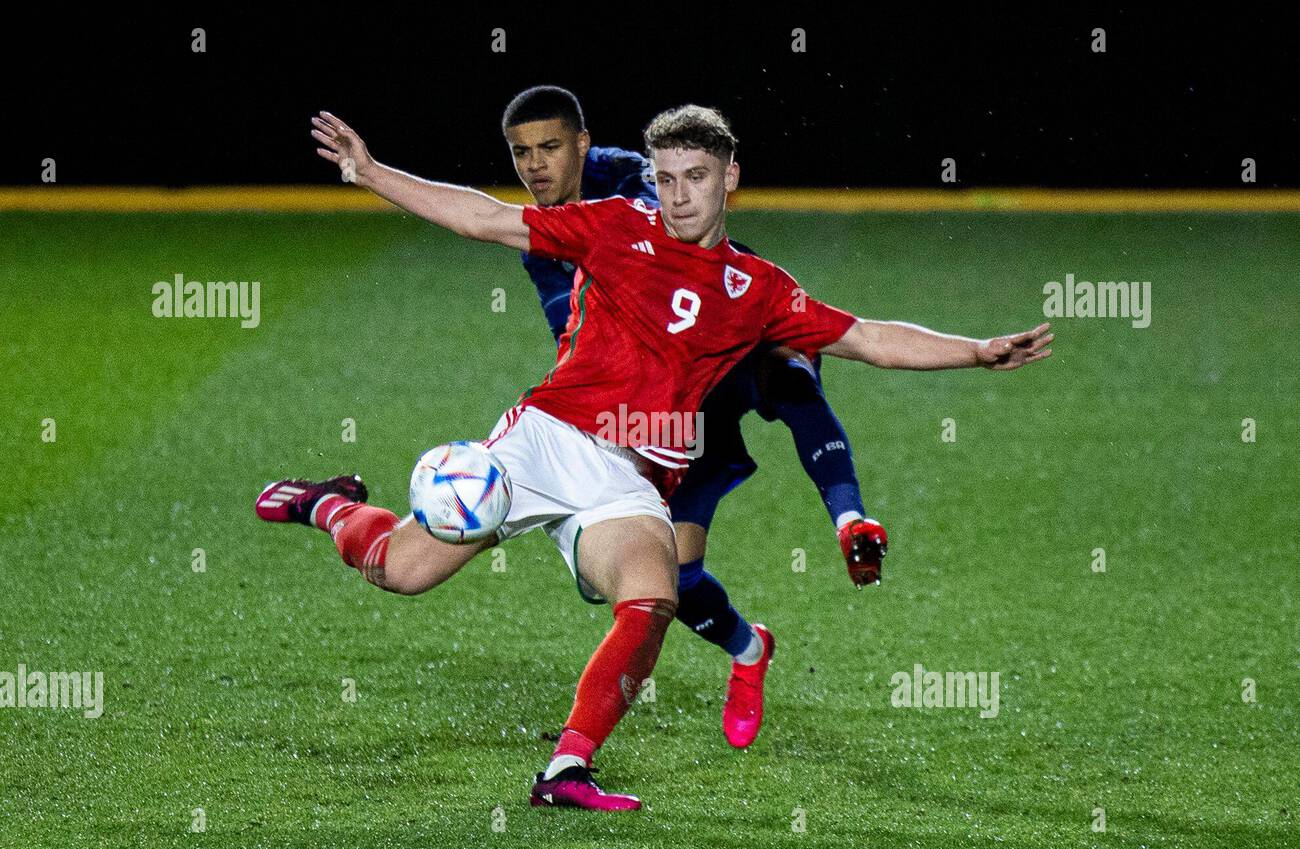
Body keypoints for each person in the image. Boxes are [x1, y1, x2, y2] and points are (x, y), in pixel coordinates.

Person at [256, 105, 1051, 812]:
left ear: (730, 178)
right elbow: (481, 219)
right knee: (399, 572)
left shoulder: (760, 288)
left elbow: (869, 337)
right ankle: (327, 504)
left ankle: (566, 768)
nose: (677, 196)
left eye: (695, 177)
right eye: (666, 178)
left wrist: (978, 351)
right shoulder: (611, 226)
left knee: (653, 594)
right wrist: (371, 173)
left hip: (631, 478)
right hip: (547, 441)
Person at [501, 85, 886, 748]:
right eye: (521, 154)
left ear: (582, 143)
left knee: (791, 375)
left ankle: (849, 517)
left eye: (550, 147)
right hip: (667, 404)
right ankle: (747, 648)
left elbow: (698, 214)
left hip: (730, 326)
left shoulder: (633, 175)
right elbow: (580, 333)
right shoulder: (547, 245)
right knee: (669, 576)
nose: (536, 165)